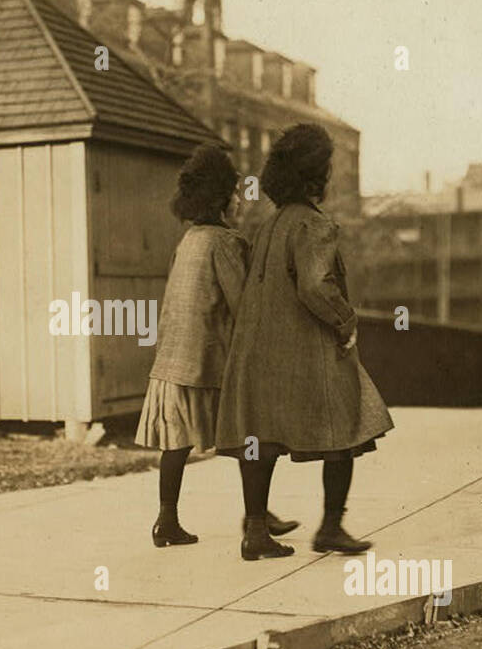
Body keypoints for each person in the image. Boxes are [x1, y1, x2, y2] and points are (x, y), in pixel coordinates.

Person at [216, 124, 393, 561]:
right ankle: (331, 527)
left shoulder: (268, 225)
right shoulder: (314, 226)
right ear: (317, 176)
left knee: (259, 438)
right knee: (348, 424)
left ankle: (255, 531)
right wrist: (345, 321)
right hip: (304, 352)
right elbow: (315, 286)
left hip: (258, 353)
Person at [137, 143, 298, 548]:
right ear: (223, 201)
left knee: (175, 443)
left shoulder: (189, 239)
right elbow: (243, 303)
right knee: (253, 435)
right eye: (237, 196)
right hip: (210, 361)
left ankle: (166, 521)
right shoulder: (226, 242)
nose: (241, 204)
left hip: (172, 360)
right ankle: (256, 526)